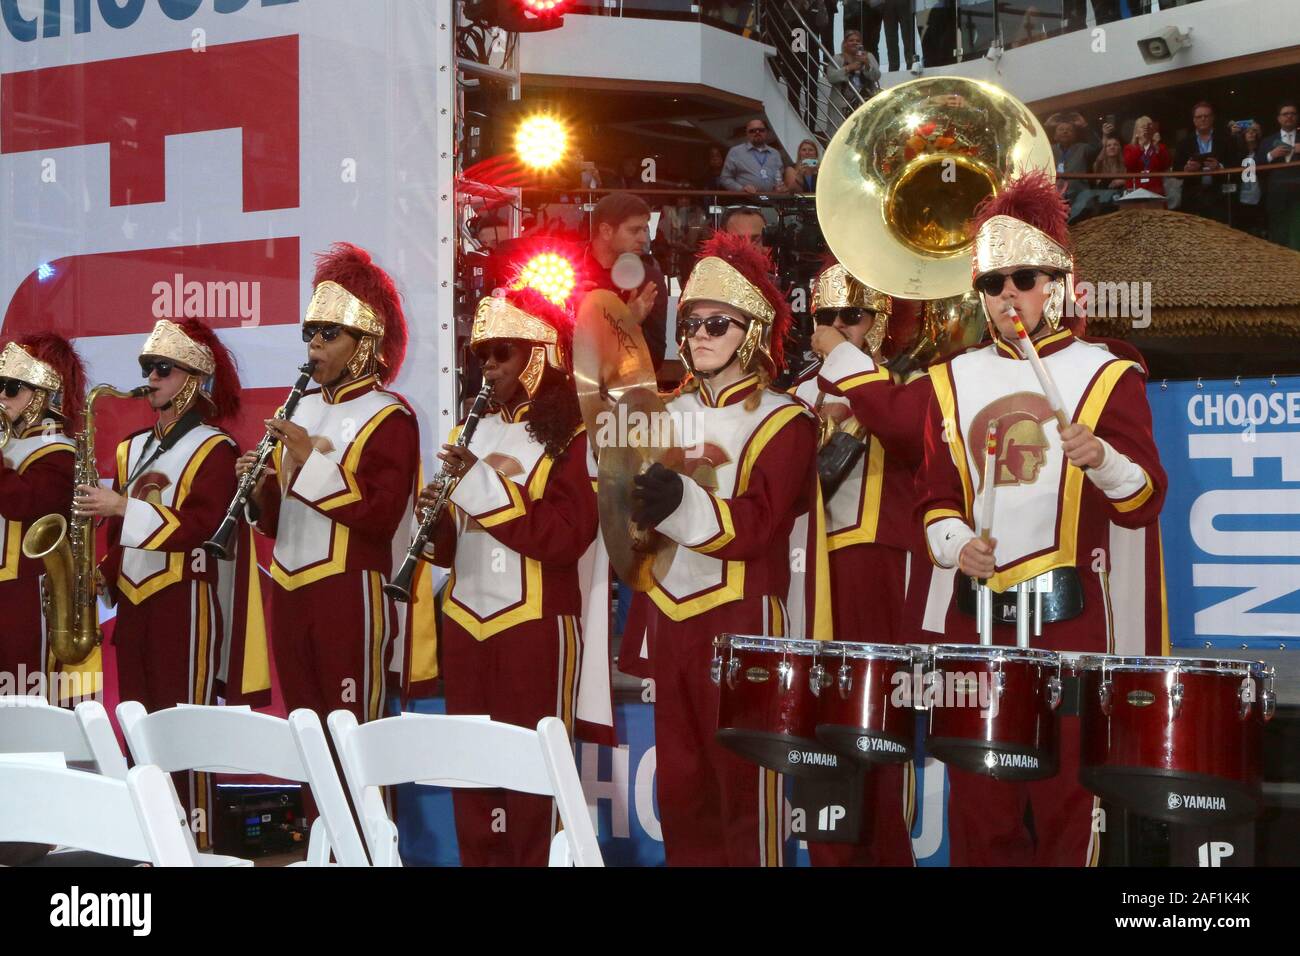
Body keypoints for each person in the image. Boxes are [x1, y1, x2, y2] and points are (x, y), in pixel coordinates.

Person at [917, 170, 1167, 866]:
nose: (1006, 296)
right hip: (977, 621)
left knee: (1065, 812)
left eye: (1022, 277)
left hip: (1070, 619)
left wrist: (1103, 460)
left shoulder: (1106, 372)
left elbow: (1146, 499)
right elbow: (933, 500)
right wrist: (957, 543)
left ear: (1057, 282)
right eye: (991, 283)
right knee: (979, 811)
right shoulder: (951, 379)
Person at [625, 232, 829, 865]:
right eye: (691, 323)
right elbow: (629, 537)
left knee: (746, 796)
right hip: (672, 620)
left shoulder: (787, 419)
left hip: (744, 624)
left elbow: (762, 525)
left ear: (753, 331)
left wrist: (675, 504)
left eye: (719, 323)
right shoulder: (657, 413)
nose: (701, 334)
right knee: (682, 793)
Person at [418, 285, 597, 866]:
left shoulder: (576, 435)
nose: (489, 366)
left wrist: (479, 486)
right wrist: (436, 522)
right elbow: (454, 550)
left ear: (541, 353)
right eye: (482, 355)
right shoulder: (466, 434)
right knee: (473, 775)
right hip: (467, 619)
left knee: (532, 777)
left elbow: (567, 536)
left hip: (534, 622)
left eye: (503, 353)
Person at [240, 243, 419, 724]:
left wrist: (307, 459)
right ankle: (316, 804)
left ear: (365, 343)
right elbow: (280, 522)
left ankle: (363, 805)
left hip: (350, 589)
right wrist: (260, 494)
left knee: (354, 732)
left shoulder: (390, 414)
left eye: (329, 333)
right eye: (310, 332)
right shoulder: (297, 408)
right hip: (289, 587)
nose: (314, 344)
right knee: (305, 733)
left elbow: (382, 515)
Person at [78, 319, 240, 842]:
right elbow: (122, 534)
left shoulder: (217, 448)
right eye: (147, 368)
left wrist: (122, 504)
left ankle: (195, 842)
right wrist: (101, 571)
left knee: (181, 730)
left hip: (184, 599)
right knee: (138, 727)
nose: (150, 377)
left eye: (162, 369)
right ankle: (149, 841)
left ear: (193, 378)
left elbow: (202, 526)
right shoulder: (131, 448)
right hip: (134, 603)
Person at [794, 262, 917, 867]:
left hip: (876, 571)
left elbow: (905, 436)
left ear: (879, 320)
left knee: (876, 726)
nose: (839, 327)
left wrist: (847, 369)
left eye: (854, 316)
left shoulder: (904, 389)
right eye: (826, 317)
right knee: (816, 730)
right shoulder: (792, 397)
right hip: (804, 576)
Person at [0, 334, 82, 698]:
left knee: (26, 703)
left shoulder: (59, 450)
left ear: (41, 395)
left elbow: (24, 504)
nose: (1, 395)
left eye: (12, 387)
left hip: (29, 593)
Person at [580, 192, 668, 372]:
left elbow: (655, 361)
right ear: (606, 231)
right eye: (634, 230)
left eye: (645, 230)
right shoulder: (566, 268)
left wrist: (629, 325)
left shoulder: (649, 280)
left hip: (620, 390)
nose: (644, 239)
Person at [1172, 101, 1230, 223]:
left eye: (1206, 116)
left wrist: (1219, 167)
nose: (1203, 119)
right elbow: (1176, 171)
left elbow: (1235, 163)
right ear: (1194, 120)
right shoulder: (1184, 143)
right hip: (1193, 197)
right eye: (1199, 117)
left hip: (1218, 196)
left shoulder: (1226, 139)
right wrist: (1186, 169)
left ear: (1212, 118)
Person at [1261, 100, 1300, 250]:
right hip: (1276, 193)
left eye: (1292, 113)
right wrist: (1271, 154)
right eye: (1285, 114)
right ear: (1279, 118)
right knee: (1278, 235)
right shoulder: (1267, 141)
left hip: (1298, 193)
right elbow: (1256, 164)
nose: (1289, 116)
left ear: (1297, 117)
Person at [826, 30, 880, 124]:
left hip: (865, 103)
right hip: (843, 106)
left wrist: (867, 64)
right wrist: (848, 68)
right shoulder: (837, 58)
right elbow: (831, 77)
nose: (855, 42)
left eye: (857, 41)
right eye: (851, 40)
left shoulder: (869, 56)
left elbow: (877, 76)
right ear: (845, 44)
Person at [721, 119, 786, 195]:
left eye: (761, 130)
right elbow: (725, 178)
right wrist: (741, 188)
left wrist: (780, 187)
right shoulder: (735, 152)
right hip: (746, 202)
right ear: (747, 134)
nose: (757, 132)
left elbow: (780, 178)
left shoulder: (775, 153)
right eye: (752, 131)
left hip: (771, 201)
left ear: (766, 132)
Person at [1234, 121, 1269, 238]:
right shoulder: (1237, 152)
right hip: (1241, 197)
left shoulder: (1262, 151)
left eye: (1254, 131)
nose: (1251, 133)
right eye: (1248, 131)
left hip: (1259, 195)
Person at [1123, 116, 1171, 196]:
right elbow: (1129, 165)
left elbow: (1165, 165)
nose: (1145, 129)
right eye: (1142, 127)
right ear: (1136, 131)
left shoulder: (1159, 147)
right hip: (1135, 189)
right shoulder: (1130, 148)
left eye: (1148, 126)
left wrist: (1156, 147)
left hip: (1155, 189)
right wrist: (1140, 146)